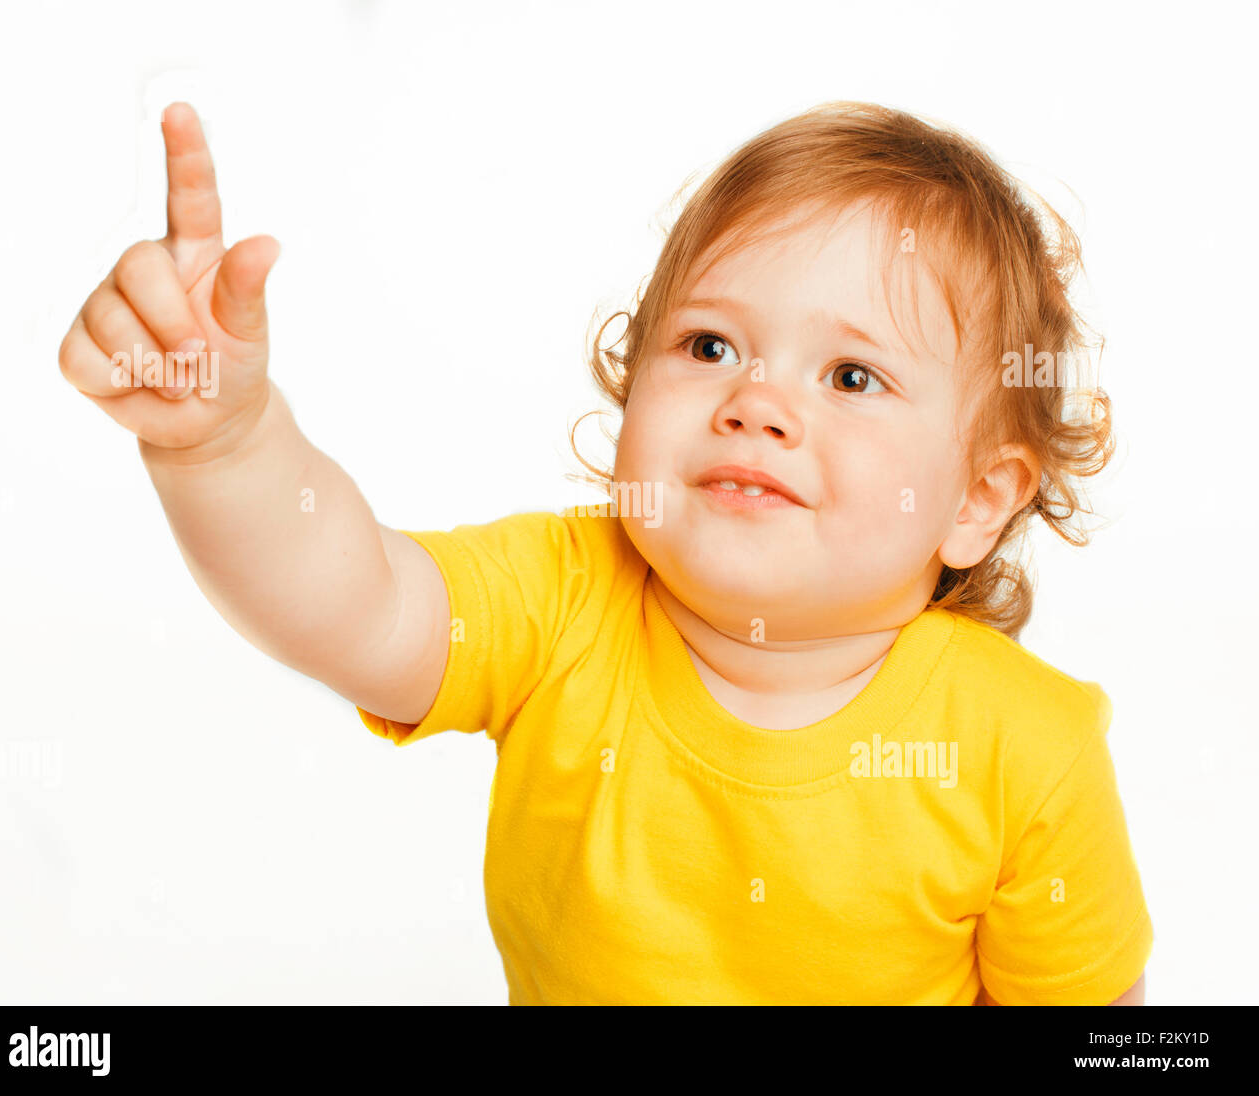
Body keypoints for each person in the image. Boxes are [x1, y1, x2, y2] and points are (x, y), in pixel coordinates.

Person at [58, 99, 1151, 1005]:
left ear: (976, 499)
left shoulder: (1026, 752)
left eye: (851, 376)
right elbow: (348, 604)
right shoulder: (563, 604)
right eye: (708, 344)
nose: (755, 401)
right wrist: (228, 442)